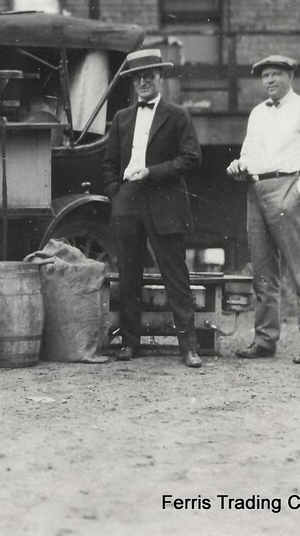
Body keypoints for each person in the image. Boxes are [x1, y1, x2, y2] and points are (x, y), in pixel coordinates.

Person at [227, 55, 300, 365]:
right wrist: (239, 167)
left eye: (276, 74)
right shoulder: (258, 114)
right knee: (263, 272)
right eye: (265, 75)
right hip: (256, 192)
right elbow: (249, 154)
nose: (269, 80)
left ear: (290, 76)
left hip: (290, 189)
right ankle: (264, 339)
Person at [102, 48, 203, 368]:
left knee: (176, 276)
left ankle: (189, 347)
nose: (143, 82)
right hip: (127, 202)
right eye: (137, 78)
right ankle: (130, 344)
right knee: (129, 276)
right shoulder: (122, 118)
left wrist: (152, 173)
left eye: (149, 76)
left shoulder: (177, 115)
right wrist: (116, 194)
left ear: (160, 77)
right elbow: (109, 163)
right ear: (132, 83)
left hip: (165, 201)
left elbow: (191, 158)